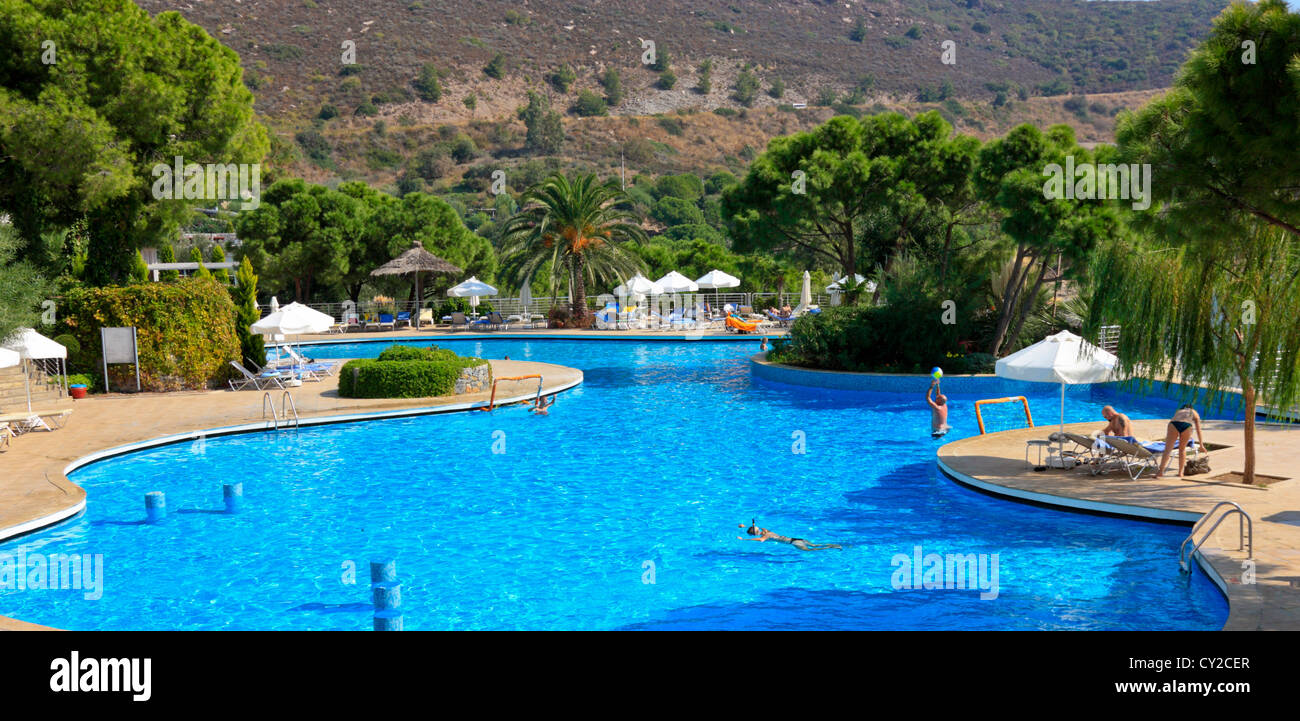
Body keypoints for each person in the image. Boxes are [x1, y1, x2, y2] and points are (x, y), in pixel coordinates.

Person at [1156, 404, 1204, 478]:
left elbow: (1175, 419)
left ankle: (1160, 472)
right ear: (1191, 408)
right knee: (1182, 449)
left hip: (1173, 424)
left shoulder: (1179, 411)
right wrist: (1201, 445)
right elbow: (1198, 430)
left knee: (1168, 450)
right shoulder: (1194, 412)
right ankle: (1180, 473)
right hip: (1186, 425)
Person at [737, 519, 841, 551]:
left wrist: (744, 539)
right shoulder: (766, 531)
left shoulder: (765, 536)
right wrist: (745, 526)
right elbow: (757, 529)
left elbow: (760, 540)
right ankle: (834, 545)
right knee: (815, 545)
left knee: (812, 550)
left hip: (794, 543)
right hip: (796, 539)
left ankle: (832, 547)